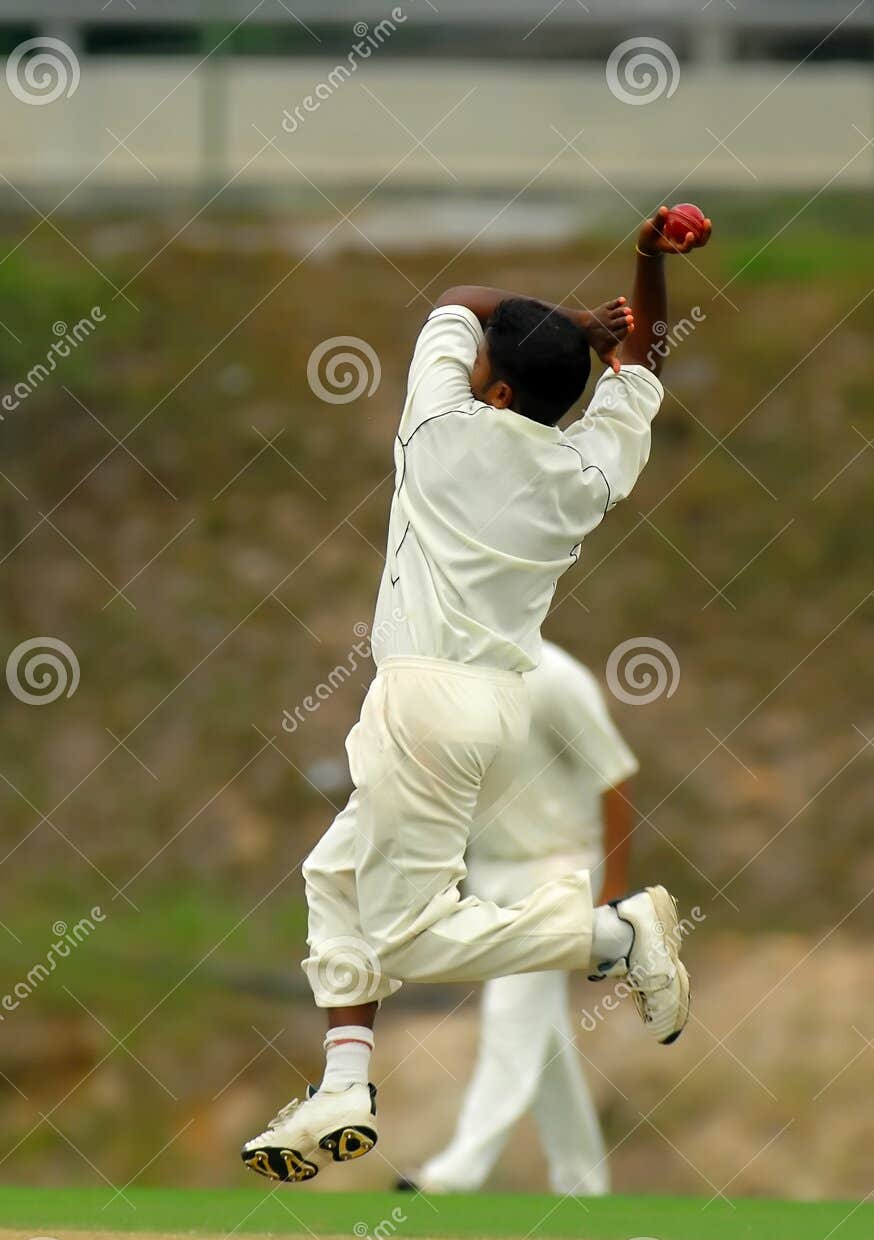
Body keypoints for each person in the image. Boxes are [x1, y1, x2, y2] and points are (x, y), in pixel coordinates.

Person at [242, 205, 708, 1185]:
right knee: (335, 878)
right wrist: (644, 267)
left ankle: (615, 933)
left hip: (422, 703)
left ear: (491, 387)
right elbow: (642, 367)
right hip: (489, 701)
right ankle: (341, 1082)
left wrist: (574, 312)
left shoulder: (440, 428)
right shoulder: (586, 471)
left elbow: (456, 296)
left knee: (407, 931)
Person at [408, 640, 638, 1196]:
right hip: (494, 874)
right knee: (543, 1032)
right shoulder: (447, 680)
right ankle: (582, 1181)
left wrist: (612, 886)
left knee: (511, 1016)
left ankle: (458, 1171)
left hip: (560, 871)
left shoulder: (556, 677)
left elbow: (615, 776)